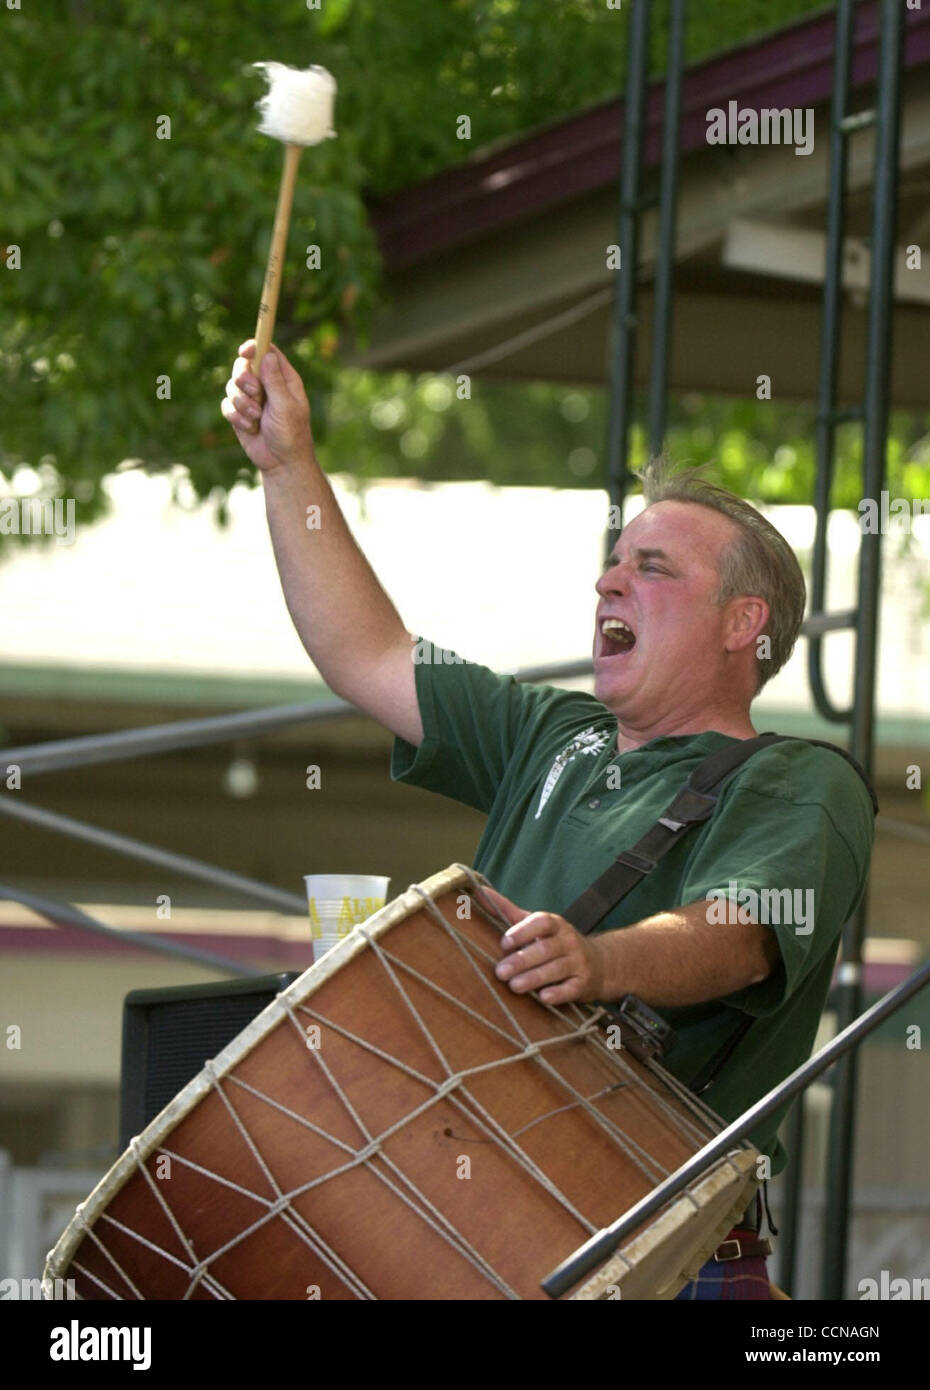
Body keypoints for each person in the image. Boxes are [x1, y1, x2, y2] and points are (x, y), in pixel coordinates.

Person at [222, 339, 875, 1300]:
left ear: (745, 625)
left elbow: (743, 937)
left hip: (664, 1259)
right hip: (484, 1237)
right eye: (612, 565)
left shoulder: (796, 780)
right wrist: (290, 465)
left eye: (651, 569)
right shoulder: (549, 730)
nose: (609, 584)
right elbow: (366, 651)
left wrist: (600, 962)